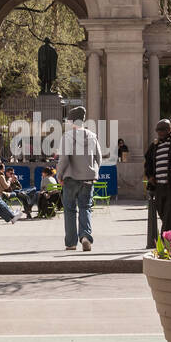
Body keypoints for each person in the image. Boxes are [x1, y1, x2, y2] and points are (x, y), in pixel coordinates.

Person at [58, 106, 104, 252]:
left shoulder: (67, 136)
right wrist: (93, 171)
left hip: (71, 178)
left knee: (70, 210)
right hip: (88, 178)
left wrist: (59, 175)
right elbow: (99, 158)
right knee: (86, 208)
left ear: (72, 121)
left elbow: (64, 159)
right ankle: (85, 236)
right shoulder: (92, 135)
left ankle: (71, 243)